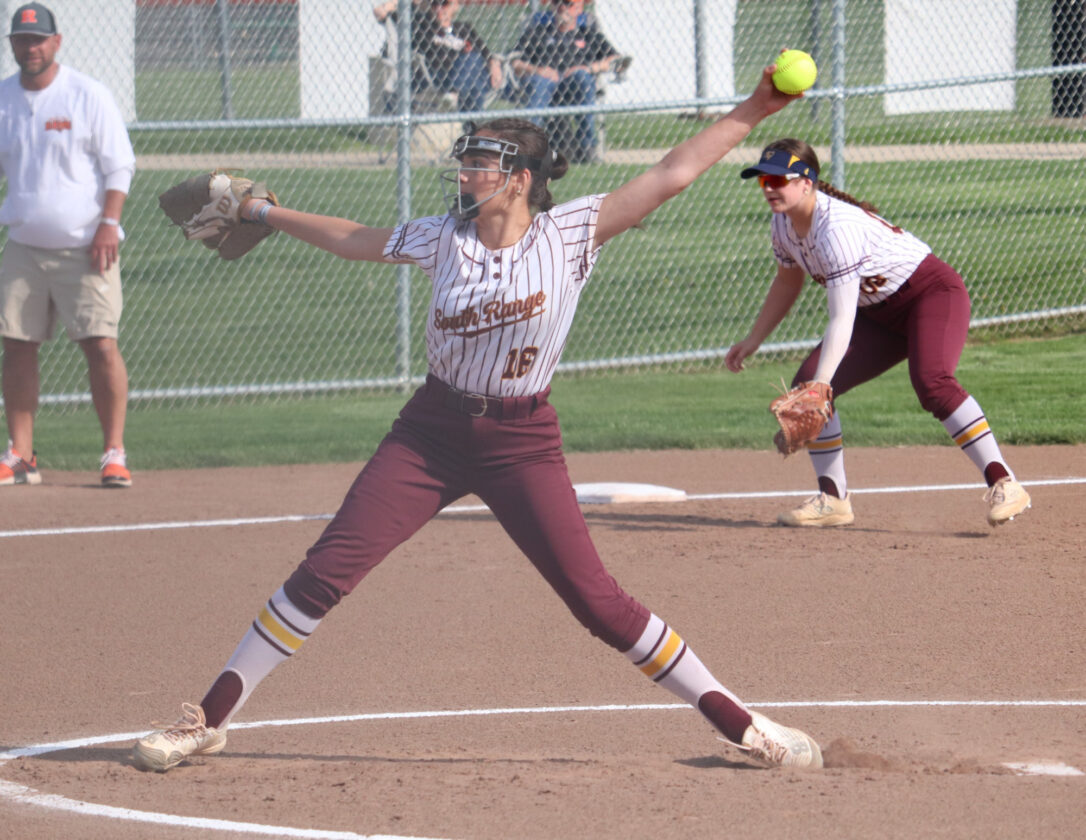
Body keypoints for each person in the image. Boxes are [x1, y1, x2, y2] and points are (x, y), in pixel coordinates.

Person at [133, 63, 824, 773]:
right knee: (324, 571)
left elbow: (674, 170)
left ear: (520, 178)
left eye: (480, 163)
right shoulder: (442, 238)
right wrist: (258, 211)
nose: (464, 174)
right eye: (464, 162)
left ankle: (740, 723)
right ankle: (207, 720)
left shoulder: (570, 234)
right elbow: (352, 237)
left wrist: (754, 108)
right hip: (429, 434)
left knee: (596, 602)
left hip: (523, 442)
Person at [725, 138, 1032, 529]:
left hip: (929, 295)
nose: (769, 187)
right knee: (807, 384)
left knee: (932, 383)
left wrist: (823, 384)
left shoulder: (836, 228)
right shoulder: (782, 224)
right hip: (880, 314)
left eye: (778, 180)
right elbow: (787, 282)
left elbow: (842, 320)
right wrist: (754, 340)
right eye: (762, 180)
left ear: (807, 183)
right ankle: (833, 500)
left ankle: (1004, 482)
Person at [0, 2, 135, 488]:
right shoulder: (3, 100)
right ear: (12, 44)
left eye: (38, 39)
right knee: (16, 343)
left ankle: (114, 453)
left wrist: (108, 224)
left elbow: (119, 167)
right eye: (21, 39)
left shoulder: (86, 95)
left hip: (86, 245)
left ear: (56, 42)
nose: (29, 47)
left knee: (100, 344)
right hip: (22, 245)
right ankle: (21, 455)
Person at [508, 0, 623, 163]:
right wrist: (539, 70)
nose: (562, 7)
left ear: (579, 8)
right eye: (556, 2)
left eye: (568, 3)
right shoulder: (539, 32)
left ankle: (587, 149)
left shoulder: (588, 33)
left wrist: (587, 68)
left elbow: (616, 59)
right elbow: (515, 62)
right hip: (545, 85)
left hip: (575, 87)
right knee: (539, 82)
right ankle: (529, 149)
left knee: (582, 78)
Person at [373, 0, 503, 116]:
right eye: (435, 4)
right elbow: (380, 12)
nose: (439, 9)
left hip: (470, 76)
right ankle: (471, 120)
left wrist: (494, 65)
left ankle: (458, 98)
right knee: (474, 64)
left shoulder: (464, 28)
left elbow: (487, 54)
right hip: (439, 76)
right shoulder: (421, 24)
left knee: (474, 61)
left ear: (455, 6)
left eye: (444, 4)